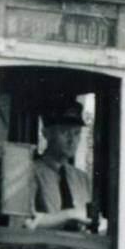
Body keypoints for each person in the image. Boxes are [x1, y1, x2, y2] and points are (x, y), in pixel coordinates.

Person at [30, 98, 94, 232]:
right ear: (46, 133)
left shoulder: (82, 179)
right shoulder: (30, 172)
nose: (72, 140)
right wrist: (70, 215)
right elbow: (26, 222)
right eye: (64, 132)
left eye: (77, 133)